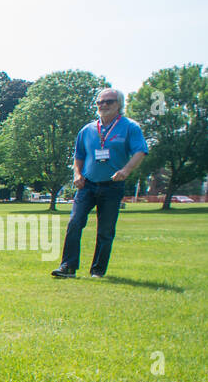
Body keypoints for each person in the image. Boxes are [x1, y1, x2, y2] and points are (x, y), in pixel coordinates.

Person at [51, 87, 147, 280]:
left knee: (105, 230)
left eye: (108, 101)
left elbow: (140, 151)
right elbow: (79, 156)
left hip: (112, 186)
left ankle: (98, 270)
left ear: (119, 104)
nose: (103, 105)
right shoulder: (87, 130)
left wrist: (126, 170)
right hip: (87, 185)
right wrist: (77, 175)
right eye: (99, 102)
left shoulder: (130, 127)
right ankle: (68, 266)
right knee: (74, 223)